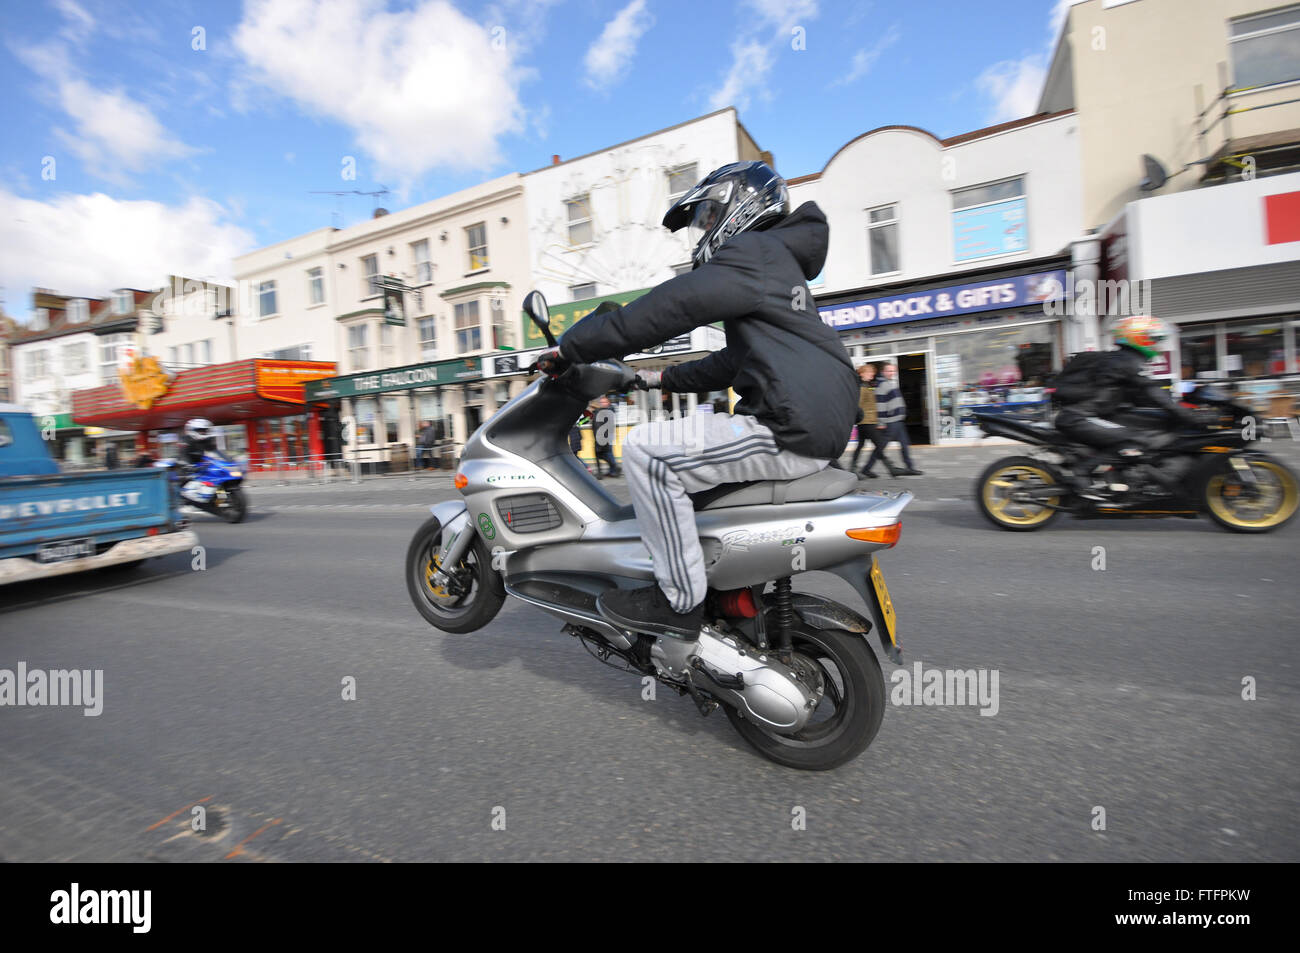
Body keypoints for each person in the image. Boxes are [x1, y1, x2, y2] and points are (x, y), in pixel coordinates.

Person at [539, 161, 858, 639]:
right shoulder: (777, 262)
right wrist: (651, 380)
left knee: (648, 453)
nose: (703, 232)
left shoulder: (753, 254)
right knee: (683, 457)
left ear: (740, 207)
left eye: (707, 217)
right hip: (814, 420)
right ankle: (708, 583)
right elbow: (732, 362)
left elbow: (670, 307)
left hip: (789, 429)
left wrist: (570, 347)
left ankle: (678, 601)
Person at [1053, 314, 1200, 495]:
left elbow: (1142, 394)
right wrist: (1186, 414)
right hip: (1080, 418)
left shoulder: (1123, 360)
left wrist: (1179, 410)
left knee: (1138, 435)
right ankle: (1081, 472)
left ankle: (1121, 478)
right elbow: (1152, 392)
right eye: (1153, 339)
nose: (1157, 345)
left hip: (1086, 416)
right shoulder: (1125, 361)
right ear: (1138, 338)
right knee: (1133, 440)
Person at [864, 363, 922, 476]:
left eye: (893, 371)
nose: (892, 373)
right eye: (889, 371)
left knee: (904, 444)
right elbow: (880, 405)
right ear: (883, 372)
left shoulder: (890, 383)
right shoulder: (881, 385)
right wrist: (881, 422)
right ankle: (866, 469)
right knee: (880, 447)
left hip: (898, 421)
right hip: (890, 422)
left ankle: (910, 468)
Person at [850, 362, 892, 478]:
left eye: (873, 373)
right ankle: (891, 468)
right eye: (869, 373)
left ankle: (853, 468)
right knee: (879, 444)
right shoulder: (862, 388)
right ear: (862, 374)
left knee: (861, 446)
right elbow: (858, 405)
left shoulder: (866, 385)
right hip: (867, 422)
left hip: (866, 422)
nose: (872, 375)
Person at [590, 396, 621, 479]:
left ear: (608, 403)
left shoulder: (607, 412)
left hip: (605, 437)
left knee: (606, 454)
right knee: (607, 454)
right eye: (601, 402)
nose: (603, 404)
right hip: (605, 436)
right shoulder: (604, 411)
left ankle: (614, 469)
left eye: (604, 402)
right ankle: (613, 470)